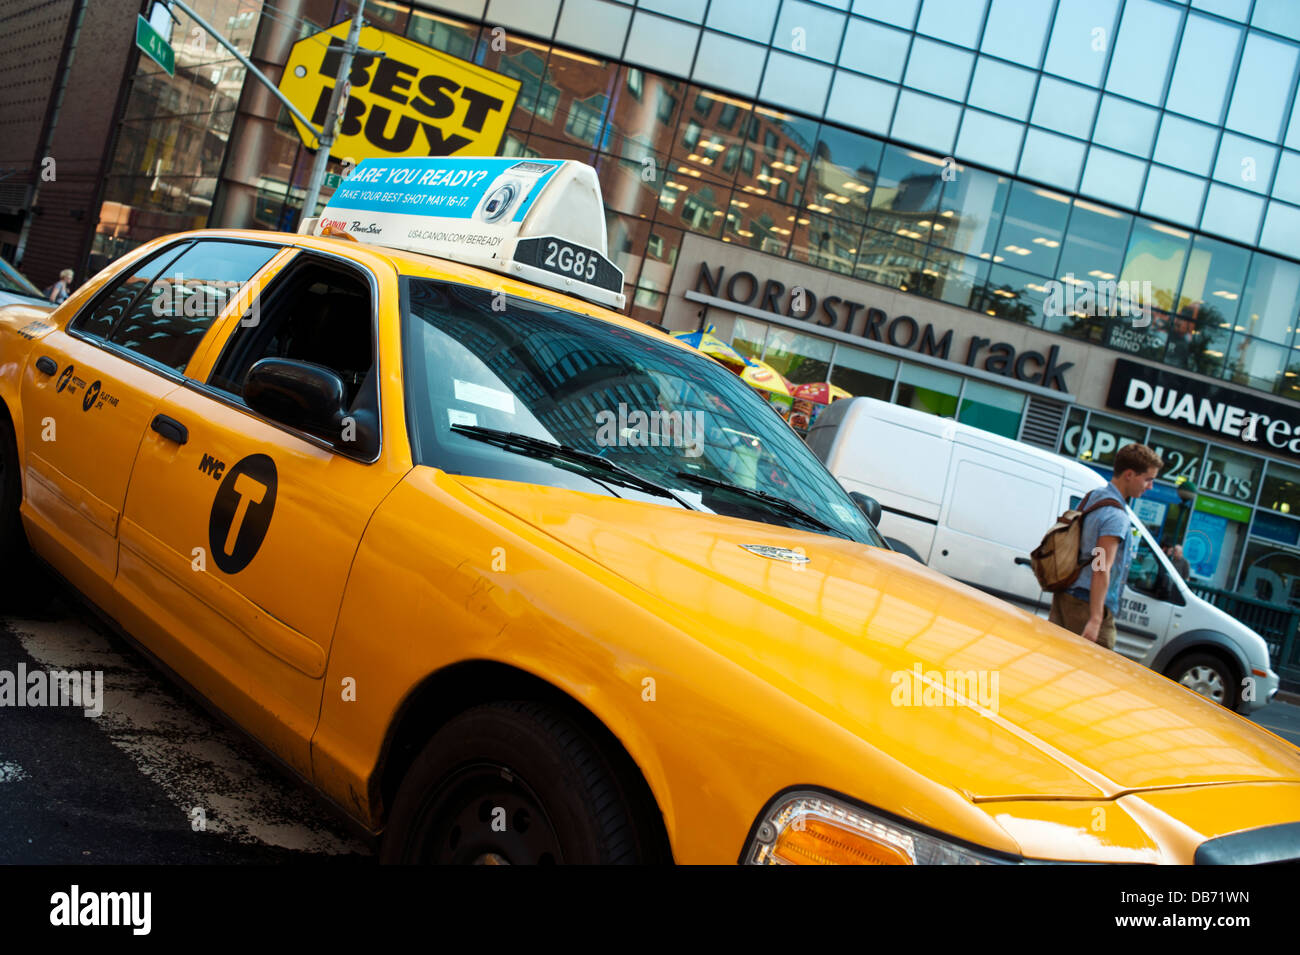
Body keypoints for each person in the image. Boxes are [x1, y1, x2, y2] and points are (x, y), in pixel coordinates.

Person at [1050, 443, 1163, 649]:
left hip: (1067, 594)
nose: (1150, 487)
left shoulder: (1094, 497)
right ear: (1129, 474)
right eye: (1148, 479)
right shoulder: (1115, 516)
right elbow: (1101, 566)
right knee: (1094, 673)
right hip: (1086, 605)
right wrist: (1095, 618)